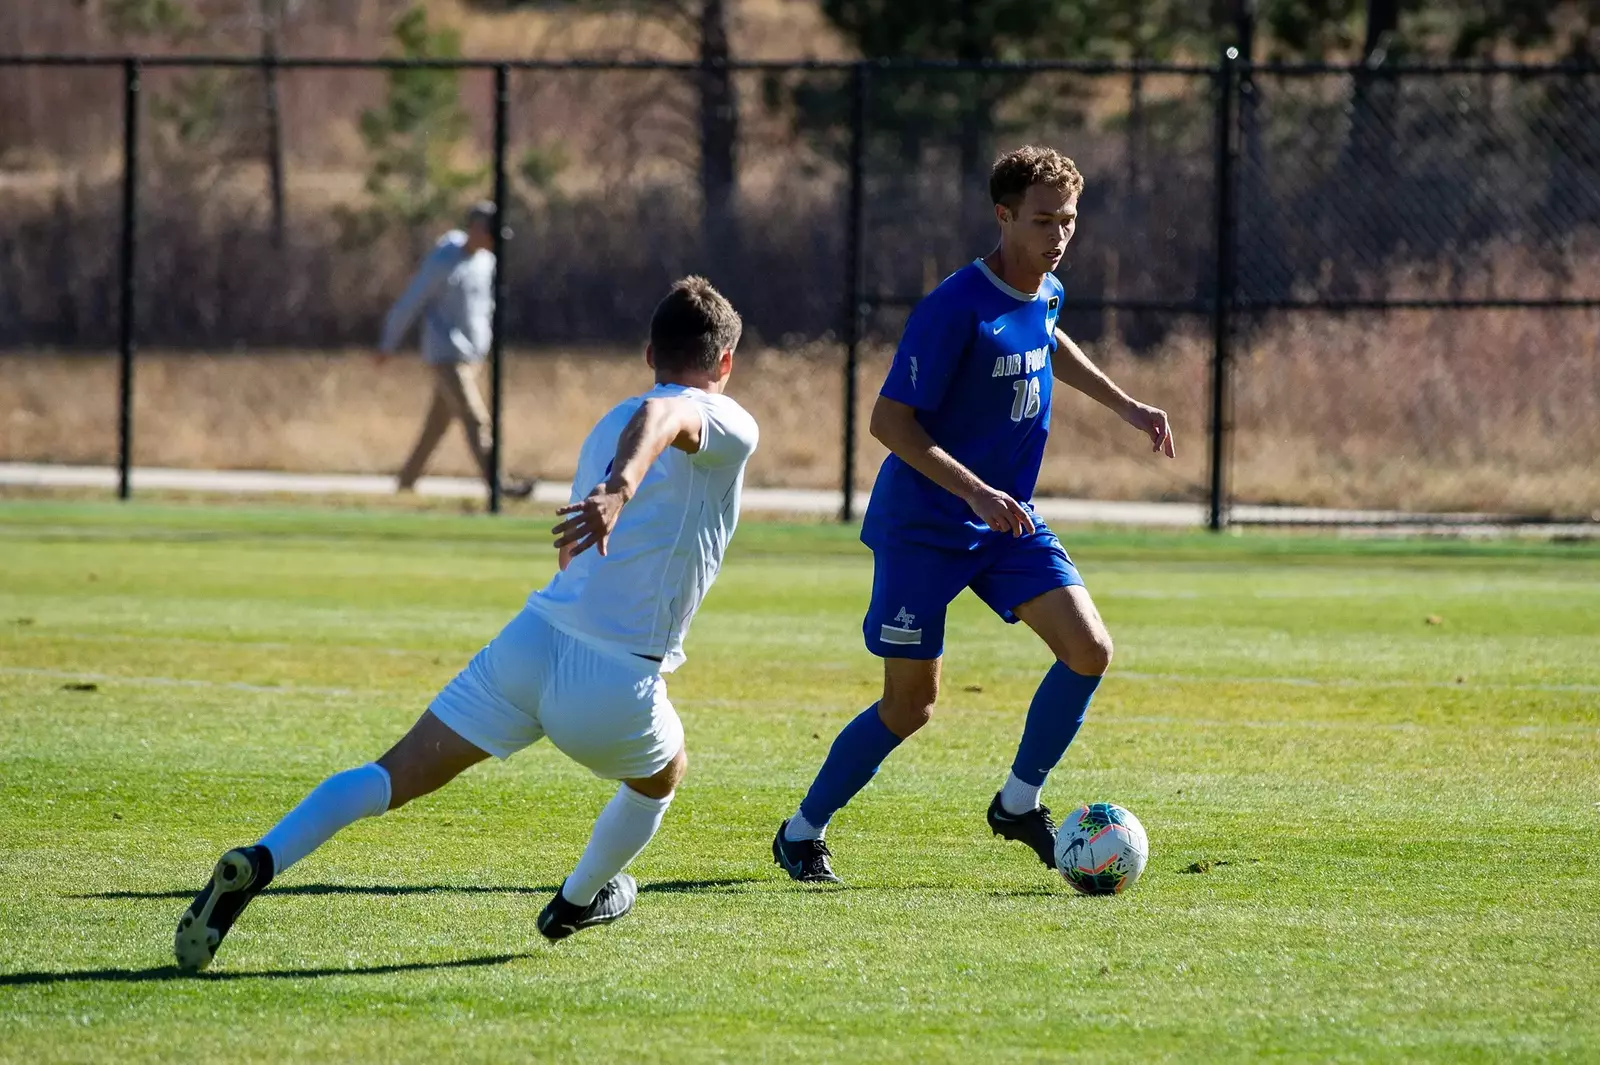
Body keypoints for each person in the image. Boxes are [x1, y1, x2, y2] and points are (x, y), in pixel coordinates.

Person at [176, 276, 757, 970]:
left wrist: (609, 491)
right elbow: (667, 417)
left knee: (388, 775)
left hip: (531, 644)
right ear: (725, 361)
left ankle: (260, 858)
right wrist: (619, 488)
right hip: (612, 675)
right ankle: (579, 899)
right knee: (663, 774)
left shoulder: (611, 419)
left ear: (649, 352)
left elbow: (634, 444)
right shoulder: (724, 419)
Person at [771, 146, 1176, 884]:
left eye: (1069, 220)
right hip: (924, 527)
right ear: (1003, 216)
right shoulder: (953, 307)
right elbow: (889, 423)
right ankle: (802, 830)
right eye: (1043, 220)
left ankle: (1017, 804)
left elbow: (1047, 334)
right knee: (910, 706)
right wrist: (974, 492)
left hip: (1005, 522)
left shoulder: (1046, 290)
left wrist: (1126, 405)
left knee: (1089, 649)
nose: (1059, 235)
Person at [378, 200, 533, 498]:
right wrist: (388, 342)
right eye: (490, 233)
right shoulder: (443, 259)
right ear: (475, 228)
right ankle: (499, 487)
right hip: (446, 354)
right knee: (476, 418)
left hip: (473, 356)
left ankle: (405, 484)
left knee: (436, 426)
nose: (493, 241)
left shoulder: (487, 262)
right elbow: (412, 300)